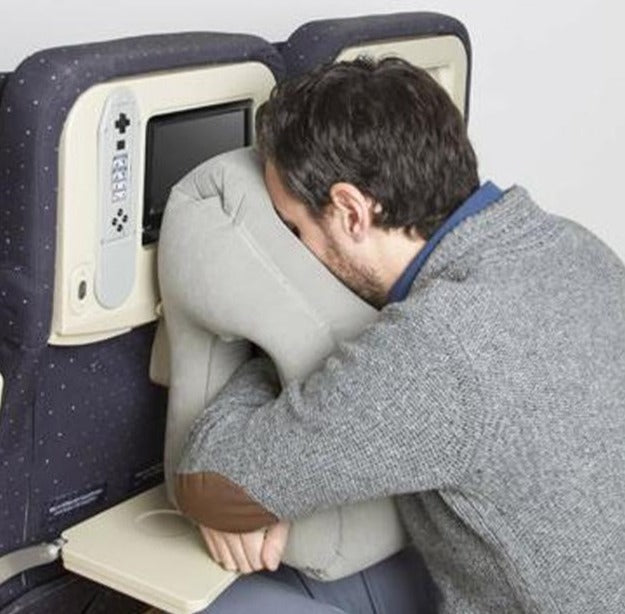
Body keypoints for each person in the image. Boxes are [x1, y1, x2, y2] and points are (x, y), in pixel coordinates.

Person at [175, 57, 625, 613]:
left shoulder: (443, 348)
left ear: (351, 211)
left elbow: (209, 481)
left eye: (295, 228)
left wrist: (275, 351)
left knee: (209, 606)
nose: (296, 249)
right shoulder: (570, 246)